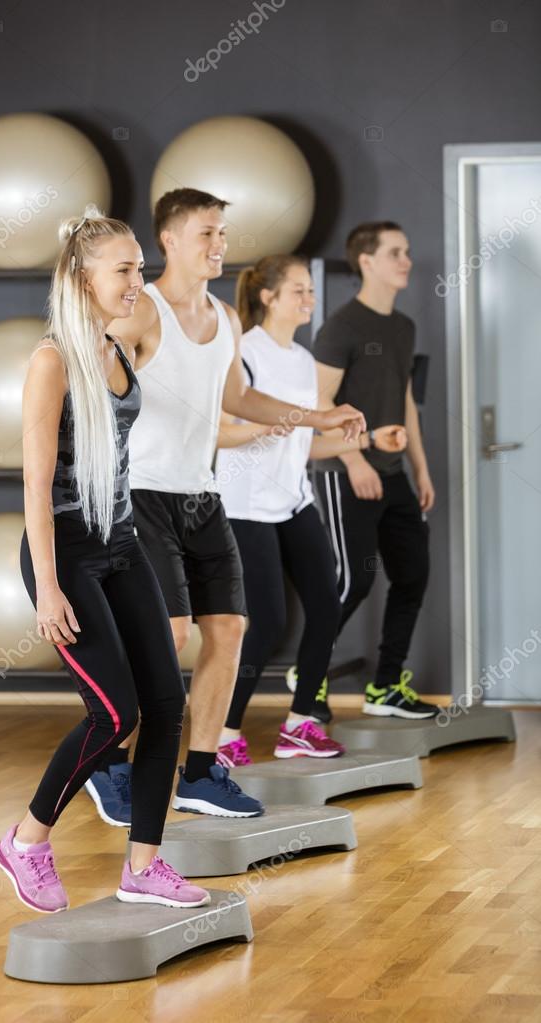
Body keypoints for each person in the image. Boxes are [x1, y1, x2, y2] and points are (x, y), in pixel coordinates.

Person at [86, 188, 366, 825]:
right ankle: (110, 761)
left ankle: (202, 770)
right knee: (171, 632)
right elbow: (86, 382)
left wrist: (318, 416)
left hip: (201, 495)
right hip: (143, 494)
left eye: (223, 234)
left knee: (230, 630)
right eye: (207, 233)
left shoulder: (223, 318)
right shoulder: (141, 312)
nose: (219, 245)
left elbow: (239, 396)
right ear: (171, 242)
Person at [0, 206, 210, 913]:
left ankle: (143, 866)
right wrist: (49, 585)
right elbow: (33, 481)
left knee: (167, 705)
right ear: (82, 277)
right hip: (66, 554)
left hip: (121, 546)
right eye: (124, 269)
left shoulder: (114, 349)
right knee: (114, 712)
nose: (136, 280)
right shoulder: (50, 360)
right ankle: (25, 839)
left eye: (139, 268)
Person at [215, 255, 407, 765]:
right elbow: (222, 436)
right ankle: (222, 733)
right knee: (268, 622)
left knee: (326, 604)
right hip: (246, 505)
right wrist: (263, 427)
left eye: (310, 290)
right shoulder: (244, 354)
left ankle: (301, 723)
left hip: (294, 497)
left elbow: (303, 446)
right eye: (298, 290)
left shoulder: (301, 359)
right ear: (269, 297)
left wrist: (366, 441)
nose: (309, 299)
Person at [301, 220, 437, 720]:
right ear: (367, 261)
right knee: (350, 582)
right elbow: (320, 403)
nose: (406, 261)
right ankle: (308, 679)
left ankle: (385, 687)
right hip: (343, 471)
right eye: (396, 253)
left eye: (406, 252)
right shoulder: (341, 326)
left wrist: (420, 469)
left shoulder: (402, 327)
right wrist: (353, 459)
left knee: (413, 575)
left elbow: (406, 402)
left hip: (393, 470)